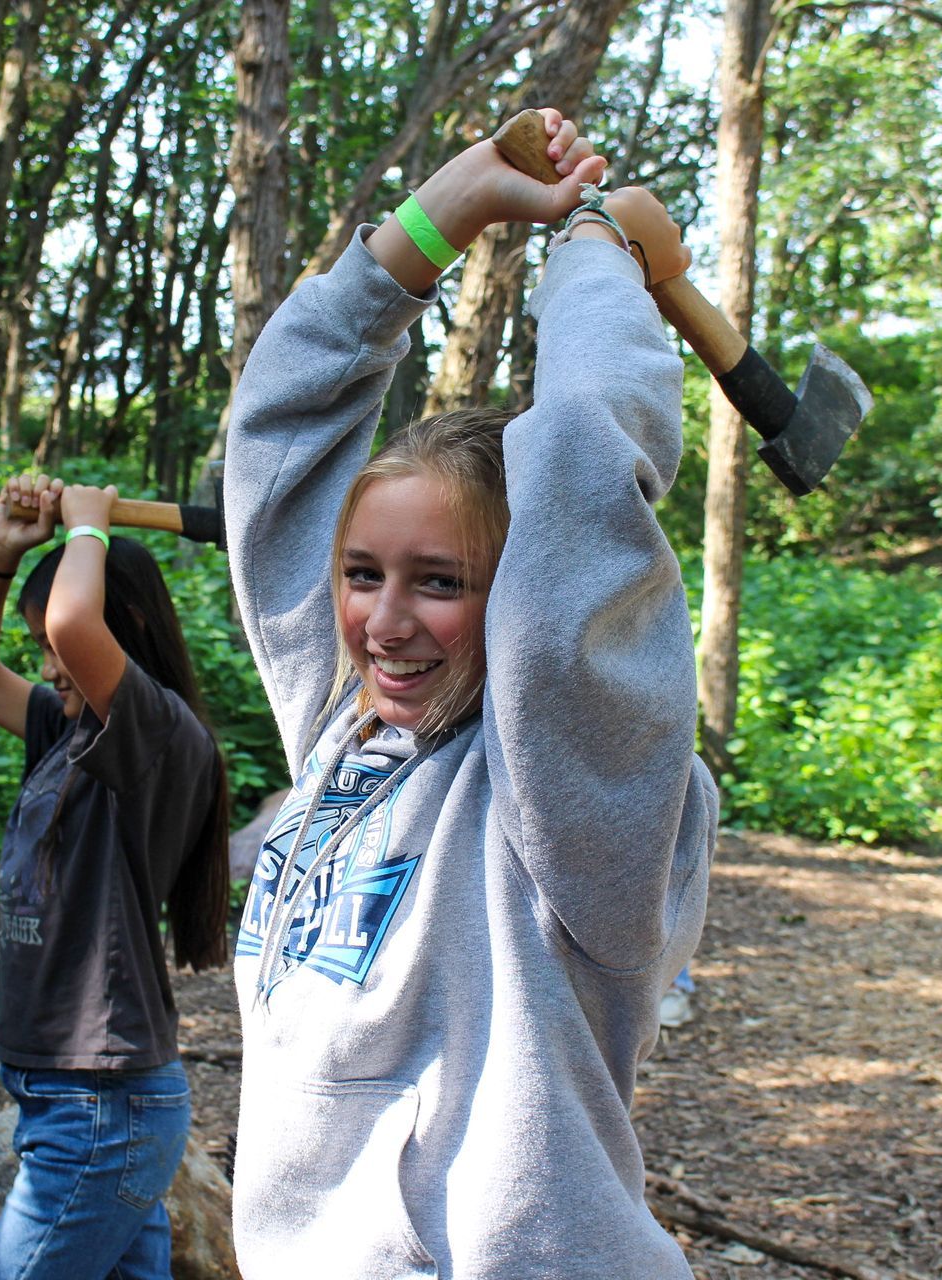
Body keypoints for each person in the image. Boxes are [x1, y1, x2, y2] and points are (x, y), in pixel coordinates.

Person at [222, 109, 718, 1278]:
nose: (385, 621)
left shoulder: (570, 797)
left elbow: (587, 471)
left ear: (522, 595)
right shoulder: (346, 724)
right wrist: (451, 208)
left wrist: (594, 247)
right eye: (361, 573)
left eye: (441, 583)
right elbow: (279, 427)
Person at [0, 473, 230, 1280]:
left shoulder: (159, 736)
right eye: (41, 649)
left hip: (101, 1106)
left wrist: (88, 528)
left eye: (55, 648)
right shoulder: (63, 729)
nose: (51, 663)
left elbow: (73, 620)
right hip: (67, 1099)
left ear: (123, 624)